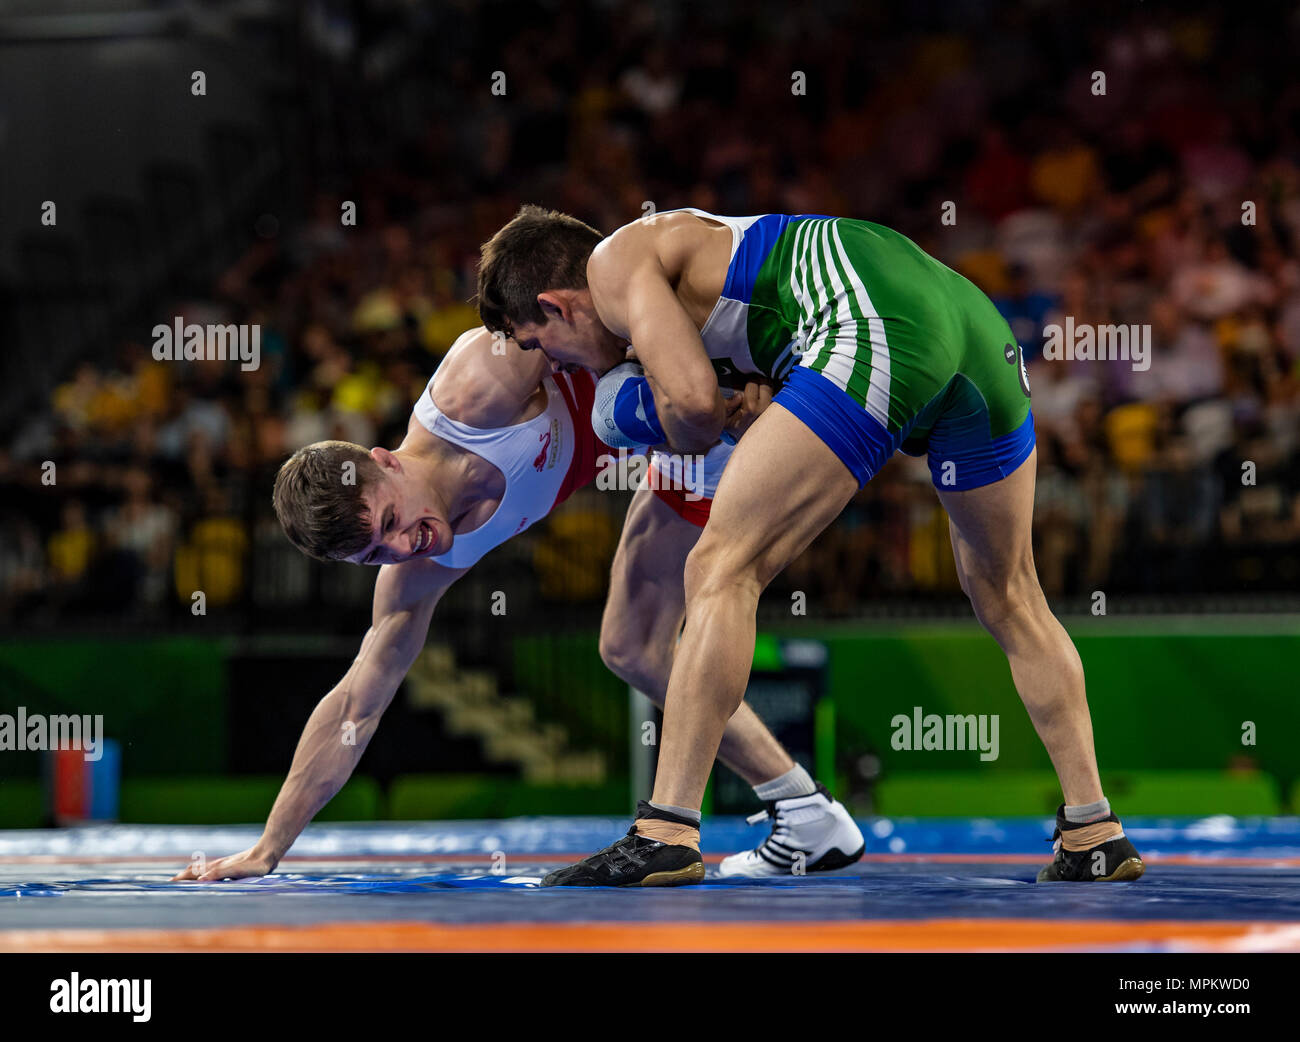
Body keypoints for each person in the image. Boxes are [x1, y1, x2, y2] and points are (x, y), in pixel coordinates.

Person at [475, 205, 1145, 886]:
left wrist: (681, 411)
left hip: (876, 322)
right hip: (970, 327)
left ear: (556, 307)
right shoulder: (688, 261)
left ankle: (665, 830)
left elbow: (700, 409)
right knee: (1010, 593)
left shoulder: (614, 264)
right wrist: (734, 398)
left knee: (720, 565)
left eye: (536, 343)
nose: (550, 363)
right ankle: (1094, 829)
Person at [172, 325, 862, 882]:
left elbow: (592, 294)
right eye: (378, 555)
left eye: (389, 523)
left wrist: (716, 363)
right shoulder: (418, 572)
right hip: (668, 435)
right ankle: (805, 811)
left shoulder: (477, 384)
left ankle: (687, 826)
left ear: (382, 460)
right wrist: (269, 847)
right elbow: (355, 706)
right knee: (630, 646)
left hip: (696, 386)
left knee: (676, 517)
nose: (407, 546)